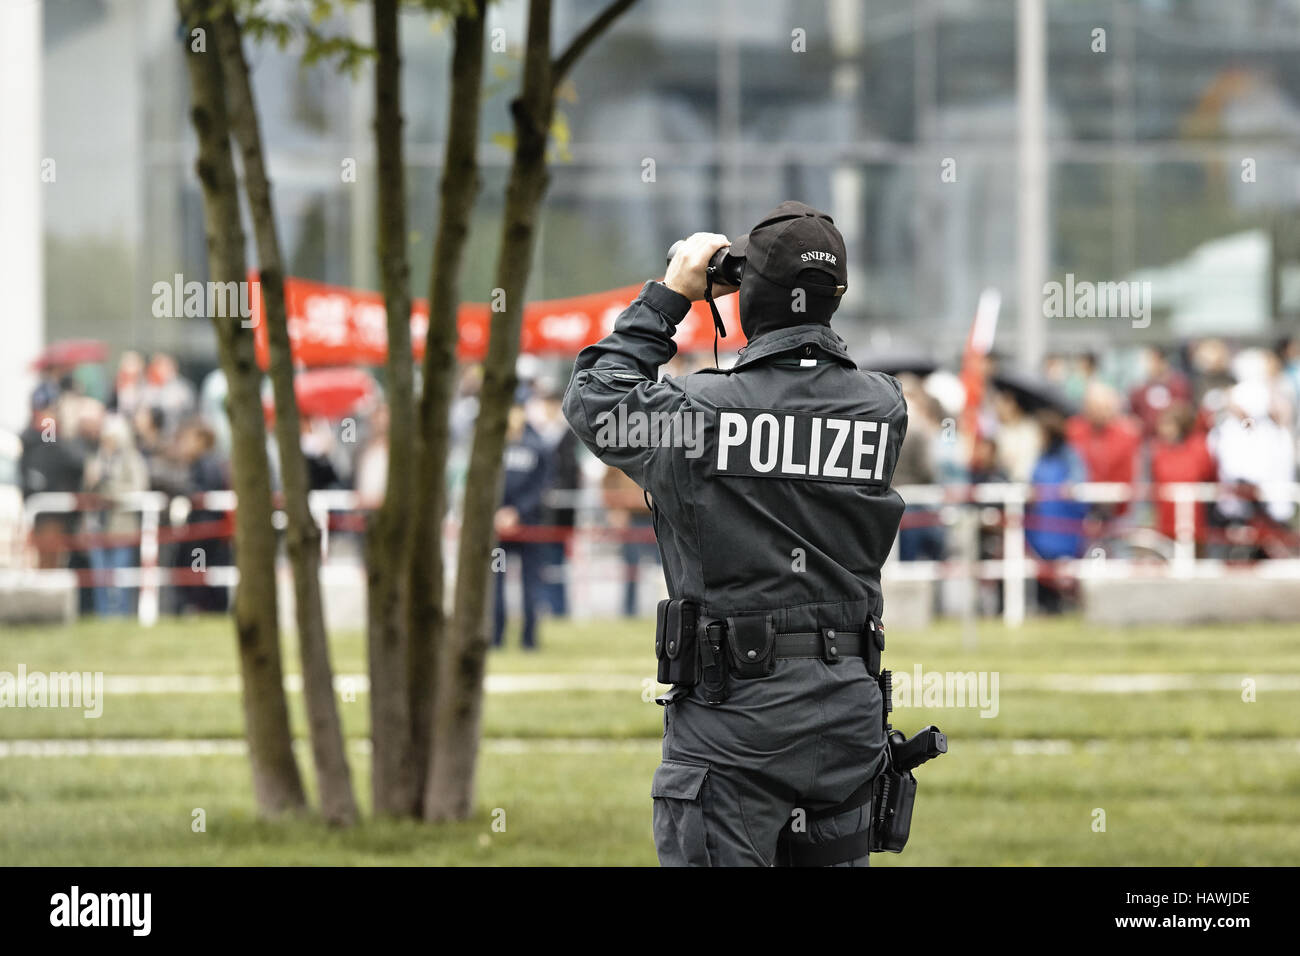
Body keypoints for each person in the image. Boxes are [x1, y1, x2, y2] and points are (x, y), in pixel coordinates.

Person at [563, 202, 908, 867]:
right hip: (847, 718)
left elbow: (596, 397)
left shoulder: (696, 415)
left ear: (748, 298)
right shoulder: (882, 406)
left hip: (734, 725)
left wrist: (669, 297)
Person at [492, 401, 554, 650]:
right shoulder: (497, 444)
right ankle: (499, 637)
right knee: (497, 584)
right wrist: (503, 512)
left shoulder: (538, 446)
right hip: (505, 528)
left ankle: (526, 639)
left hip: (528, 528)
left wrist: (514, 511)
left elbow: (543, 486)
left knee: (529, 585)